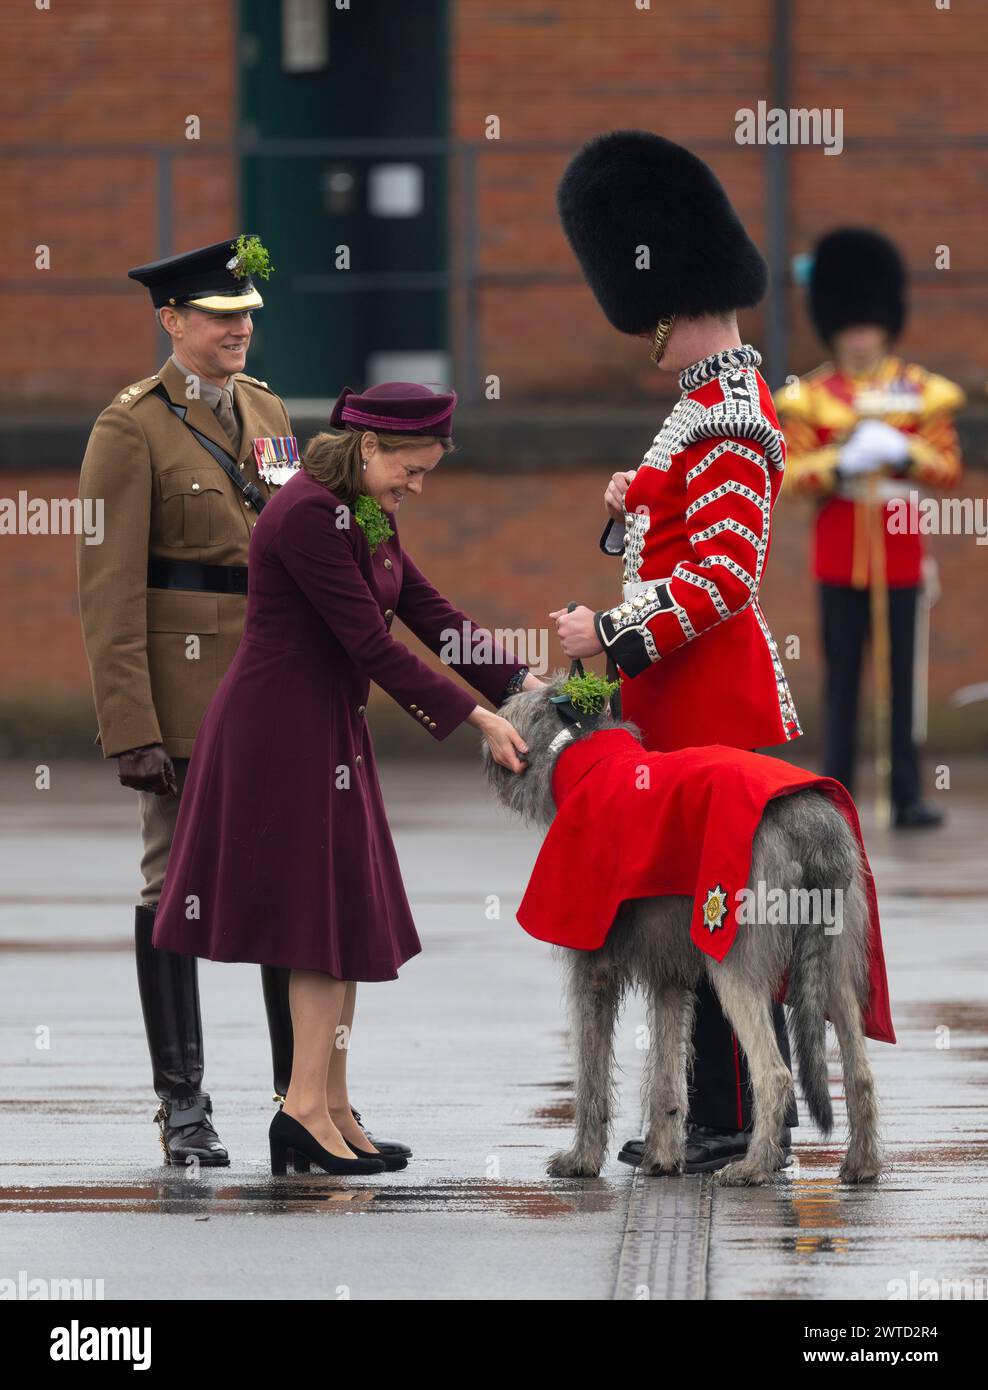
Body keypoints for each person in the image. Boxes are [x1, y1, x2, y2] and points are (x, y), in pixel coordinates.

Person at [152, 382, 542, 1174]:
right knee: (316, 930)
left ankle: (330, 1107)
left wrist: (521, 687)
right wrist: (476, 719)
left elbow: (427, 609)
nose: (417, 486)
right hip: (278, 735)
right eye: (413, 469)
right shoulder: (304, 514)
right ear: (370, 447)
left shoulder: (361, 507)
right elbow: (372, 643)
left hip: (328, 729)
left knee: (343, 922)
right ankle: (300, 1111)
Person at [551, 129, 801, 1172]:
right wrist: (629, 513)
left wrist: (605, 634)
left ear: (667, 313)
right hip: (683, 701)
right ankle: (707, 1114)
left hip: (717, 705)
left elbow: (723, 583)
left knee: (724, 922)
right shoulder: (699, 412)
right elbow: (681, 544)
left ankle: (739, 1121)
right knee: (687, 918)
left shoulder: (731, 418)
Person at [775, 228, 965, 828]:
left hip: (902, 555)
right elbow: (789, 475)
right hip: (838, 557)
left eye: (867, 325)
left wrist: (903, 454)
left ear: (885, 323)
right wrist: (839, 463)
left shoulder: (920, 392)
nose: (859, 337)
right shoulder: (812, 397)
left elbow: (948, 468)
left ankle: (906, 793)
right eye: (850, 326)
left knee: (902, 682)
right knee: (841, 680)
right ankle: (836, 792)